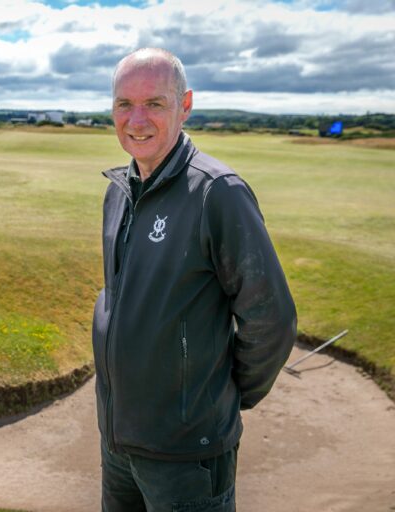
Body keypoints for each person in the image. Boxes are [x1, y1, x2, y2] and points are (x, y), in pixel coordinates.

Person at [91, 48, 297, 512]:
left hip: (188, 456)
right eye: (124, 104)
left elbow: (272, 320)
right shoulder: (118, 193)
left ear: (184, 106)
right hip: (118, 444)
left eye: (155, 104)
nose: (136, 119)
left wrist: (216, 398)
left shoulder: (218, 193)